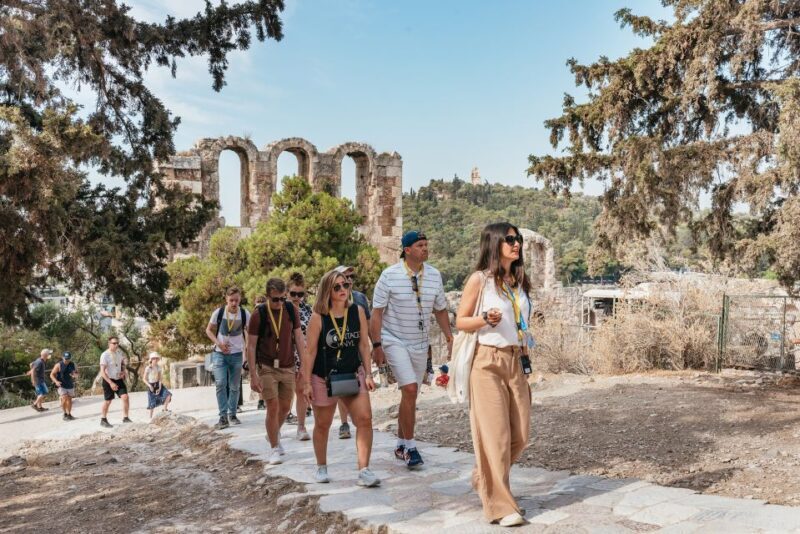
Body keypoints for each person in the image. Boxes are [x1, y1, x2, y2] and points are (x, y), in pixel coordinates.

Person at [455, 222, 533, 527]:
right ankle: (501, 507)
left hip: (516, 361)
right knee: (496, 437)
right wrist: (484, 319)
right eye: (510, 239)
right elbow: (461, 321)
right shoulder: (479, 280)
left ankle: (483, 478)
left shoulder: (519, 281)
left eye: (518, 239)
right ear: (495, 243)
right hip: (486, 362)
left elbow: (520, 323)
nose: (516, 244)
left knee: (521, 435)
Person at [371, 231, 453, 469]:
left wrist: (449, 336)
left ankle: (399, 443)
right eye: (420, 245)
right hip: (394, 339)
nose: (425, 249)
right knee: (408, 388)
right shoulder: (389, 276)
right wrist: (377, 345)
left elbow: (439, 309)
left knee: (411, 395)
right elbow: (376, 314)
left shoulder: (435, 275)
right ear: (407, 250)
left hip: (419, 343)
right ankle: (411, 447)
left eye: (427, 244)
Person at [301, 269, 380, 487]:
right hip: (324, 377)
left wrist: (369, 373)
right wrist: (307, 383)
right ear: (328, 290)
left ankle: (364, 470)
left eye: (346, 285)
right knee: (323, 424)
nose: (343, 290)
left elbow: (364, 344)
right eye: (337, 287)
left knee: (365, 419)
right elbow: (310, 351)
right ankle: (321, 467)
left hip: (353, 373)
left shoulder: (357, 312)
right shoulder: (319, 317)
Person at [247, 278, 307, 465]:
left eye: (282, 298)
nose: (279, 303)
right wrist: (252, 374)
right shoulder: (259, 314)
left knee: (285, 407)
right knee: (272, 407)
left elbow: (299, 338)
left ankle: (273, 433)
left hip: (288, 366)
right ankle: (274, 447)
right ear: (267, 297)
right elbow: (250, 346)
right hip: (267, 367)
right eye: (275, 299)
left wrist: (304, 366)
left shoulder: (291, 310)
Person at [333, 265, 372, 440]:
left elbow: (369, 326)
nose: (348, 279)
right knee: (342, 386)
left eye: (350, 276)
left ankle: (360, 419)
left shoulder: (360, 298)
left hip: (358, 348)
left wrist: (377, 346)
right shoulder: (330, 300)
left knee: (361, 385)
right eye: (344, 276)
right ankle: (344, 423)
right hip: (340, 350)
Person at [205, 286, 250, 430]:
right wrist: (219, 343)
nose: (234, 303)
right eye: (231, 300)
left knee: (235, 386)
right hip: (220, 354)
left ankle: (233, 414)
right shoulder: (218, 313)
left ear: (240, 299)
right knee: (220, 383)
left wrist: (246, 350)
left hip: (237, 354)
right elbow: (208, 330)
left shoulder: (244, 313)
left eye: (236, 300)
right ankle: (223, 416)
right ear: (226, 299)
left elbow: (250, 332)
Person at [286, 272, 313, 441]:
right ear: (287, 292)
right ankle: (274, 428)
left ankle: (301, 427)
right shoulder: (280, 309)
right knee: (283, 396)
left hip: (303, 357)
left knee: (302, 392)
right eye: (293, 293)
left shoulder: (307, 310)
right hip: (284, 358)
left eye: (300, 294)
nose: (296, 297)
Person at [99, 336, 131, 428]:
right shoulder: (104, 355)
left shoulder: (119, 353)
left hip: (118, 379)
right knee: (108, 401)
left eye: (117, 343)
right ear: (109, 344)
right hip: (108, 380)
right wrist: (111, 383)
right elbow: (102, 372)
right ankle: (103, 419)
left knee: (125, 397)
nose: (116, 345)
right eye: (114, 343)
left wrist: (123, 371)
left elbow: (122, 363)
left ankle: (125, 417)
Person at [50, 351, 78, 420]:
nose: (67, 360)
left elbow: (76, 373)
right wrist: (56, 381)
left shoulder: (73, 364)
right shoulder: (58, 365)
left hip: (70, 384)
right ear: (63, 358)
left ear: (70, 358)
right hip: (61, 385)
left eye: (68, 359)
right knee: (64, 398)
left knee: (69, 400)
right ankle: (64, 413)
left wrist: (75, 375)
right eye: (65, 359)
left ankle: (69, 414)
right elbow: (51, 374)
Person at [144, 352, 172, 418]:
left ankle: (165, 410)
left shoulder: (158, 367)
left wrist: (159, 387)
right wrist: (149, 386)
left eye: (157, 358)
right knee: (152, 403)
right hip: (151, 385)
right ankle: (150, 417)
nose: (156, 360)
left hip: (158, 384)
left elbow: (159, 379)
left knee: (168, 395)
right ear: (151, 359)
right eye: (154, 358)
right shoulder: (148, 368)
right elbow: (144, 379)